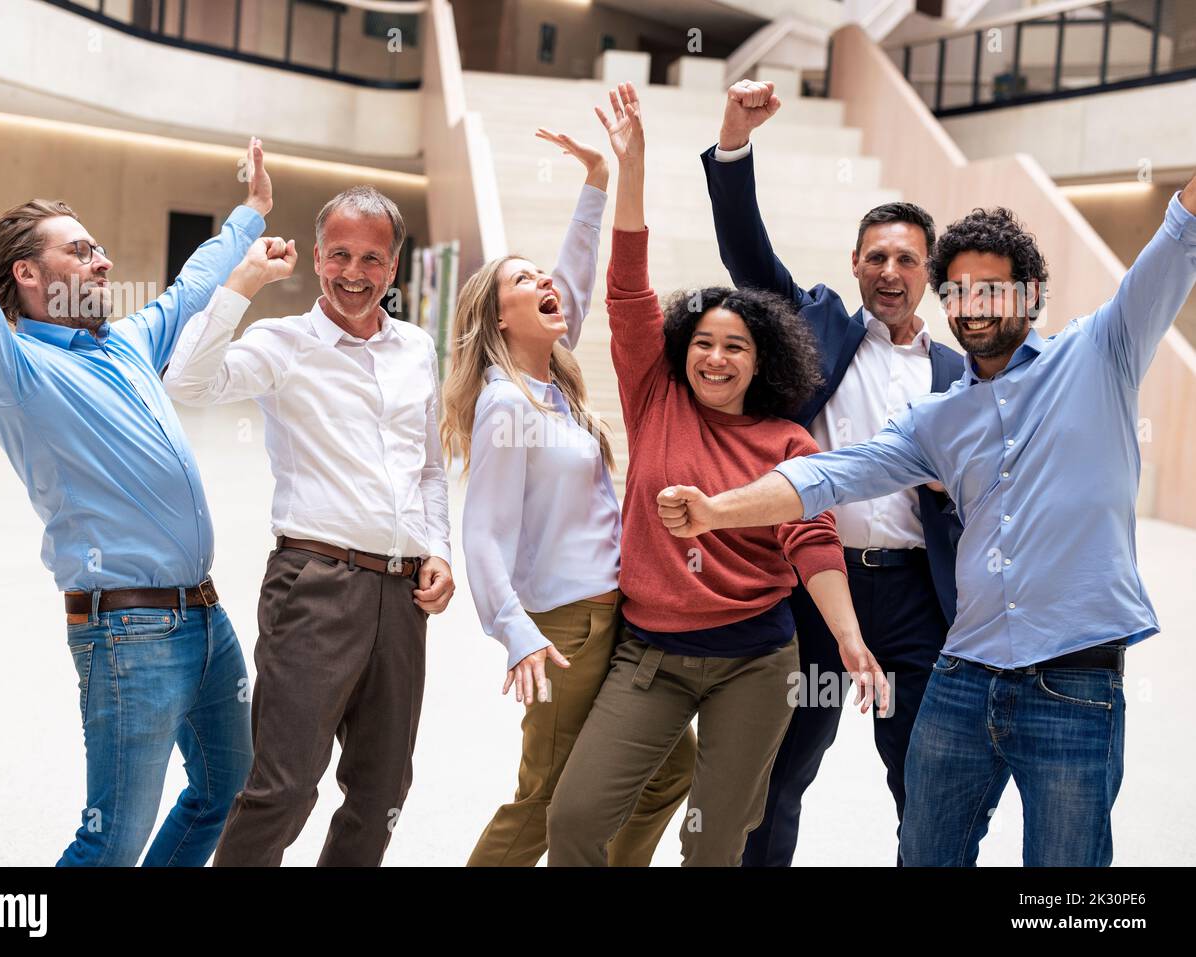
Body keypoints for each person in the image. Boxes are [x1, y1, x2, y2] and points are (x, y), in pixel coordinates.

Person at [657, 171, 1196, 866]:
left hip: (1072, 677)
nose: (972, 305)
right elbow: (831, 473)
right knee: (923, 851)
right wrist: (716, 511)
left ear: (1030, 294)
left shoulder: (1100, 351)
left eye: (991, 289)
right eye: (960, 291)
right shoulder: (938, 417)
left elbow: (1177, 236)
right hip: (962, 671)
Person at [0, 73, 274, 865]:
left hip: (207, 618)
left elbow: (193, 285)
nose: (101, 262)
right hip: (127, 630)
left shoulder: (128, 342)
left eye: (99, 247)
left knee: (226, 788)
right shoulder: (15, 368)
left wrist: (250, 215)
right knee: (111, 844)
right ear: (29, 277)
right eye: (80, 250)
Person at [545, 83, 889, 868]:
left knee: (715, 846)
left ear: (763, 358)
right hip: (649, 656)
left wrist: (848, 637)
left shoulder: (789, 438)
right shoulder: (653, 394)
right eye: (703, 340)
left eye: (735, 345)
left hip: (756, 665)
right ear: (681, 348)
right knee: (575, 819)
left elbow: (813, 540)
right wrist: (630, 169)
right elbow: (627, 286)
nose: (715, 356)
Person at [700, 79, 964, 866]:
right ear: (854, 263)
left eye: (907, 259)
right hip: (816, 585)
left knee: (924, 779)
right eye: (876, 256)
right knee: (778, 773)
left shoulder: (959, 370)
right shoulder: (812, 323)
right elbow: (746, 251)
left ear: (931, 271)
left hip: (920, 597)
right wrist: (735, 140)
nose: (890, 270)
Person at [163, 184, 454, 867]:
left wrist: (437, 547)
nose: (355, 274)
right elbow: (186, 383)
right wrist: (242, 283)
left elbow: (431, 468)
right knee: (284, 787)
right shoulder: (282, 342)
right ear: (318, 256)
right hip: (316, 585)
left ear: (395, 265)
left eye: (373, 259)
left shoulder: (415, 348)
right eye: (341, 255)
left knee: (383, 786)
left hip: (403, 592)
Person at [443, 127, 694, 867]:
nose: (545, 284)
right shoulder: (506, 404)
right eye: (523, 282)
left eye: (540, 277)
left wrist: (596, 180)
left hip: (616, 610)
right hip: (564, 630)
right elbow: (482, 533)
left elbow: (574, 277)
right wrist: (515, 632)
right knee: (544, 797)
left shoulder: (549, 379)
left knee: (671, 768)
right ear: (498, 318)